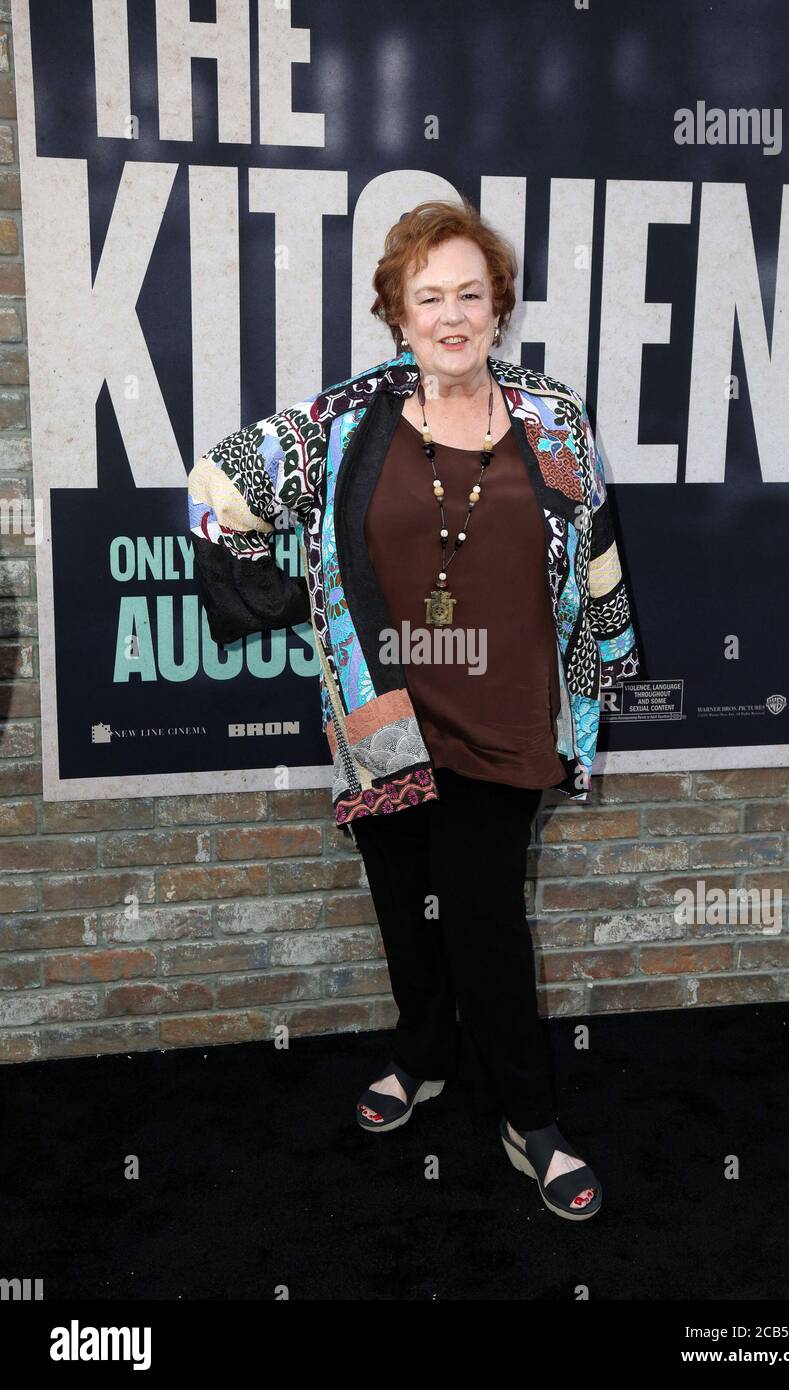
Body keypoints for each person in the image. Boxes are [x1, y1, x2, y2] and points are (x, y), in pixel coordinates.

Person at [188, 198, 640, 1221]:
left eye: (468, 295)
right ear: (396, 314)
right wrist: (277, 591)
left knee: (482, 919)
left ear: (497, 308)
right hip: (382, 719)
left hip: (510, 712)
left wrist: (604, 663)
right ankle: (421, 1053)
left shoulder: (553, 420)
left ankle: (529, 1118)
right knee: (405, 906)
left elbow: (594, 550)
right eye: (426, 296)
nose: (450, 316)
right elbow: (217, 484)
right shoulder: (344, 421)